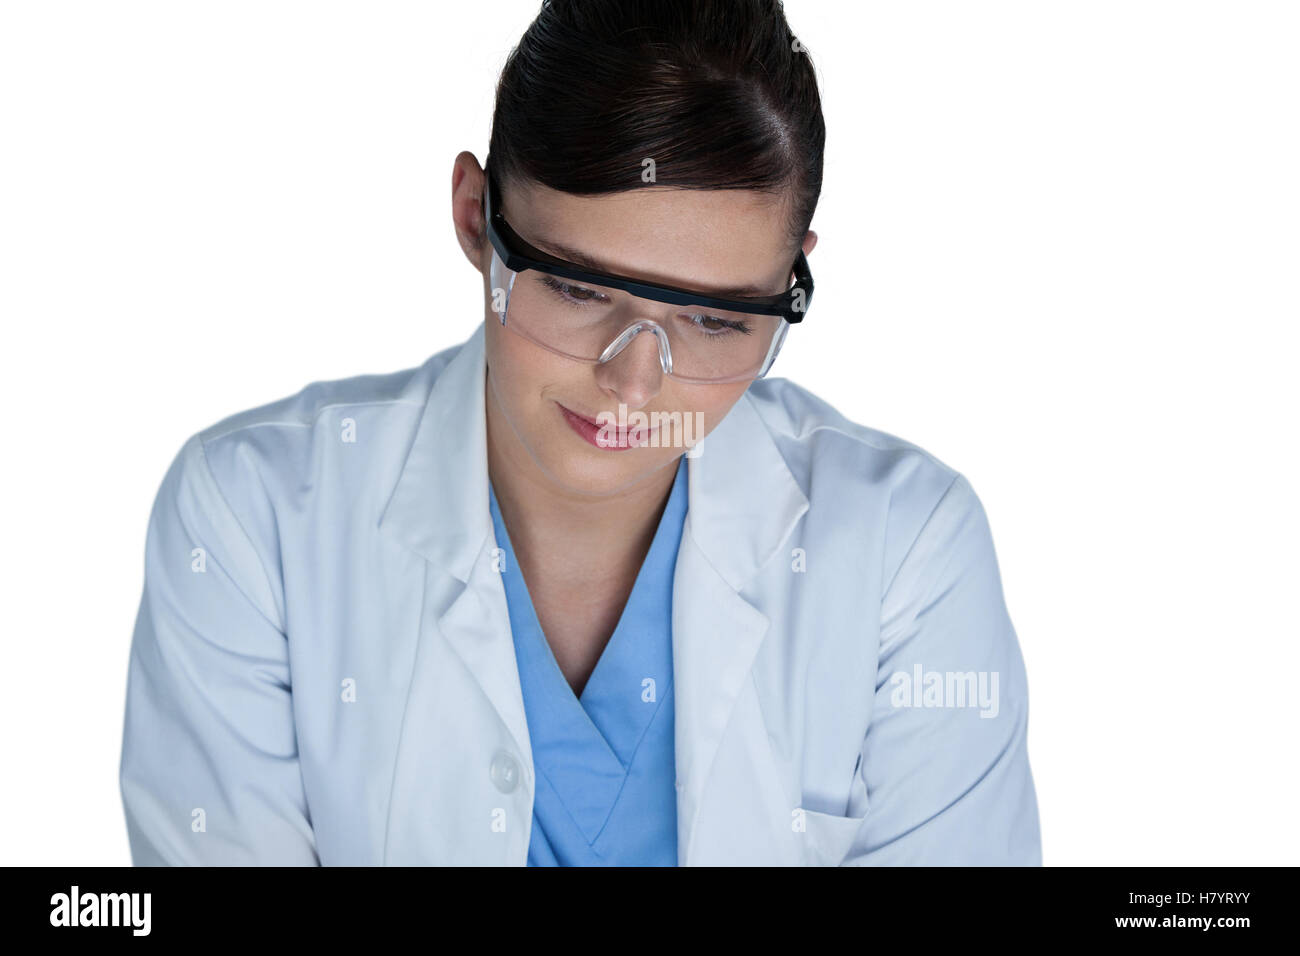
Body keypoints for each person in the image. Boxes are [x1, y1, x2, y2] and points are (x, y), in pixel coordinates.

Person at [120, 0, 1041, 866]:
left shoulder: (906, 554)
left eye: (717, 321)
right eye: (577, 288)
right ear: (477, 220)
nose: (635, 382)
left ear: (792, 282)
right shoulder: (254, 522)